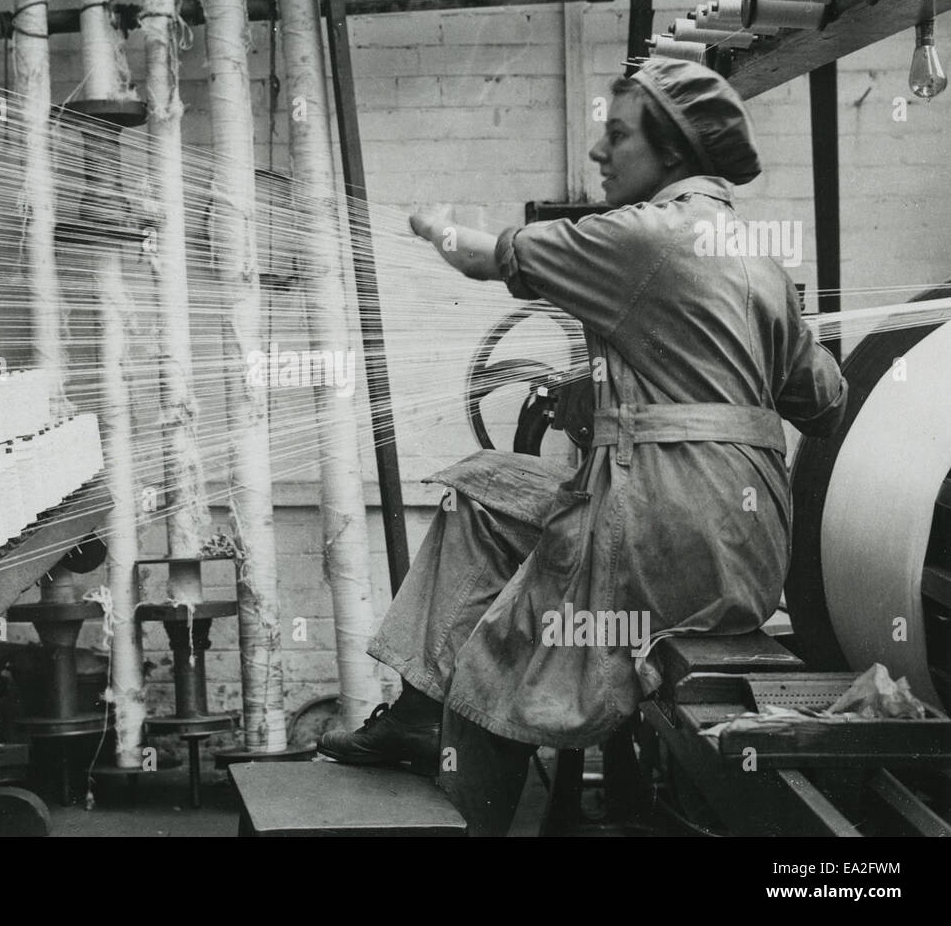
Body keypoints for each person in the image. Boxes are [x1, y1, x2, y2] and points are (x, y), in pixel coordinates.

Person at [317, 57, 849, 836]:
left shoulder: (640, 235)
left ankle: (463, 774)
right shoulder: (760, 255)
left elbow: (484, 252)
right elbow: (824, 399)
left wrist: (430, 222)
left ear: (669, 156)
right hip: (748, 546)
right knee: (485, 491)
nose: (600, 153)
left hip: (665, 528)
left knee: (498, 660)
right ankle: (417, 709)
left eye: (617, 135)